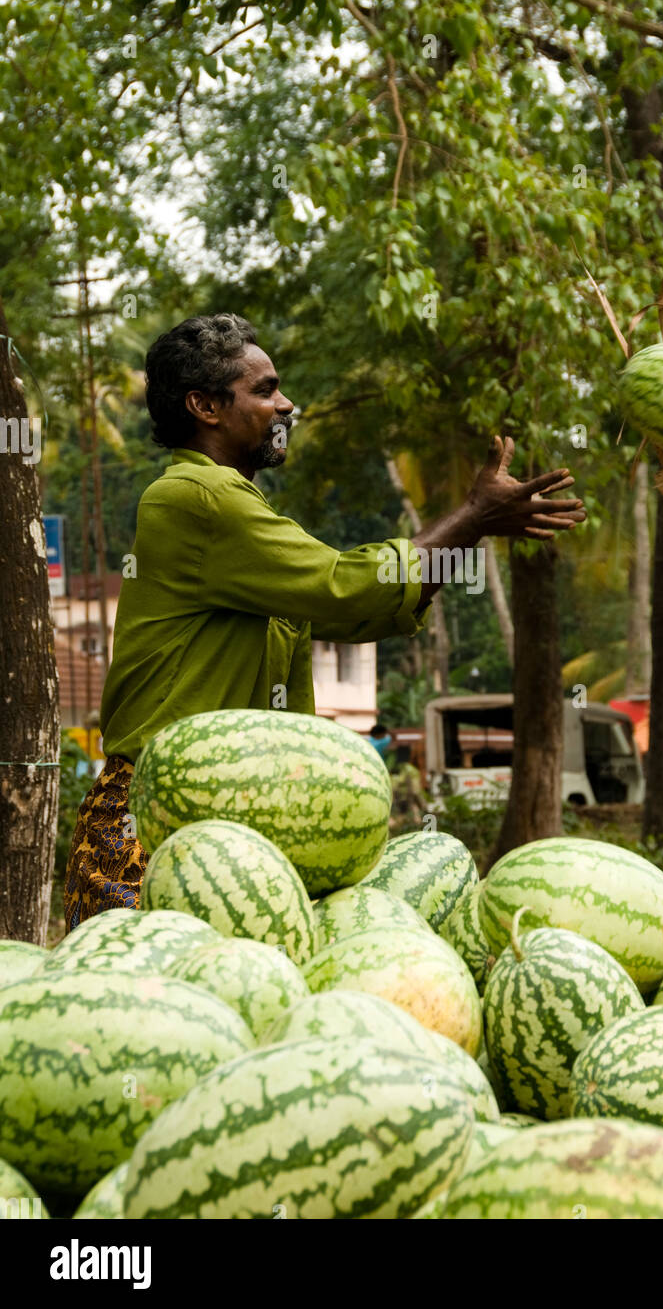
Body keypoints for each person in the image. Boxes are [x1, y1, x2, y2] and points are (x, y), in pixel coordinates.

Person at [63, 313, 586, 929]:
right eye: (264, 391)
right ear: (204, 406)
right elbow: (349, 590)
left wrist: (468, 532)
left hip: (222, 832)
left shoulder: (238, 511)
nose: (288, 406)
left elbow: (350, 604)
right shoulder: (197, 499)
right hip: (153, 827)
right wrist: (471, 518)